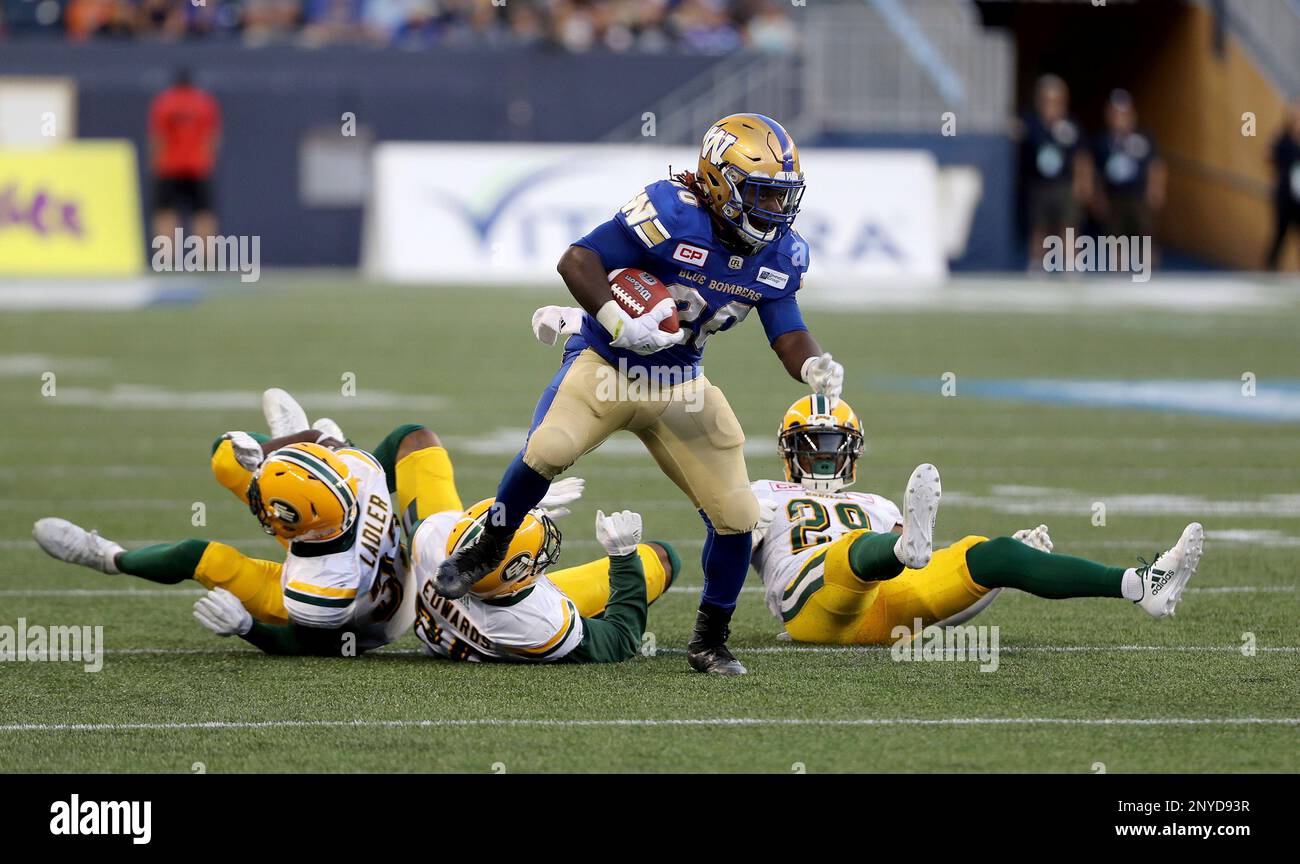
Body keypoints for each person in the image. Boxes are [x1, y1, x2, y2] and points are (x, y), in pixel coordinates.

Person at [436, 113, 844, 676]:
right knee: (549, 449)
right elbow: (578, 259)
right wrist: (617, 321)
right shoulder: (671, 212)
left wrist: (813, 365)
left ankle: (709, 639)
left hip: (681, 384)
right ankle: (488, 544)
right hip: (606, 363)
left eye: (782, 198)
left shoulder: (780, 255)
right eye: (762, 195)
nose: (774, 211)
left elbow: (788, 330)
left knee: (737, 514)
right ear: (721, 183)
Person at [747, 395, 1203, 644]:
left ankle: (1141, 585)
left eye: (832, 442)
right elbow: (722, 557)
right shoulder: (762, 493)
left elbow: (931, 587)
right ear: (789, 450)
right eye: (813, 443)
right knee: (850, 553)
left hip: (884, 605)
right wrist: (737, 527)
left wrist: (1003, 575)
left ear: (853, 450)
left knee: (993, 552)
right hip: (809, 605)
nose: (824, 454)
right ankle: (898, 548)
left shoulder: (877, 503)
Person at [1018, 75, 1092, 269]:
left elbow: (1082, 157)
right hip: (1038, 185)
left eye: (1055, 100)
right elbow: (1015, 134)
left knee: (1068, 226)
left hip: (1065, 184)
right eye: (1047, 100)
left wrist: (1082, 184)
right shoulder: (1030, 122)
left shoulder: (1071, 126)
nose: (1051, 105)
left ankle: (1071, 264)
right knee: (1038, 226)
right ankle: (1036, 264)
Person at [148, 68, 221, 252]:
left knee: (165, 212)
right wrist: (207, 161)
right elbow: (212, 138)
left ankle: (165, 257)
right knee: (203, 214)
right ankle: (207, 258)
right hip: (198, 167)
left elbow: (158, 138)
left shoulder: (164, 103)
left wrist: (156, 162)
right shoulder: (204, 103)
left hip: (168, 167)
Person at [1092, 89, 1166, 263]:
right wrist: (1098, 196)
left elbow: (1155, 165)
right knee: (1116, 237)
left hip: (1139, 196)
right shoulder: (1103, 140)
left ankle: (1149, 272)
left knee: (1145, 235)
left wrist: (1156, 189)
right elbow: (1096, 171)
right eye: (1116, 113)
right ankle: (1119, 272)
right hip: (1114, 197)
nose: (1120, 117)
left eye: (1123, 113)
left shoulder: (1144, 137)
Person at [1265, 100, 1300, 271]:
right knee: (1280, 234)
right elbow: (1269, 158)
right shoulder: (1283, 140)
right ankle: (1270, 269)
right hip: (1285, 196)